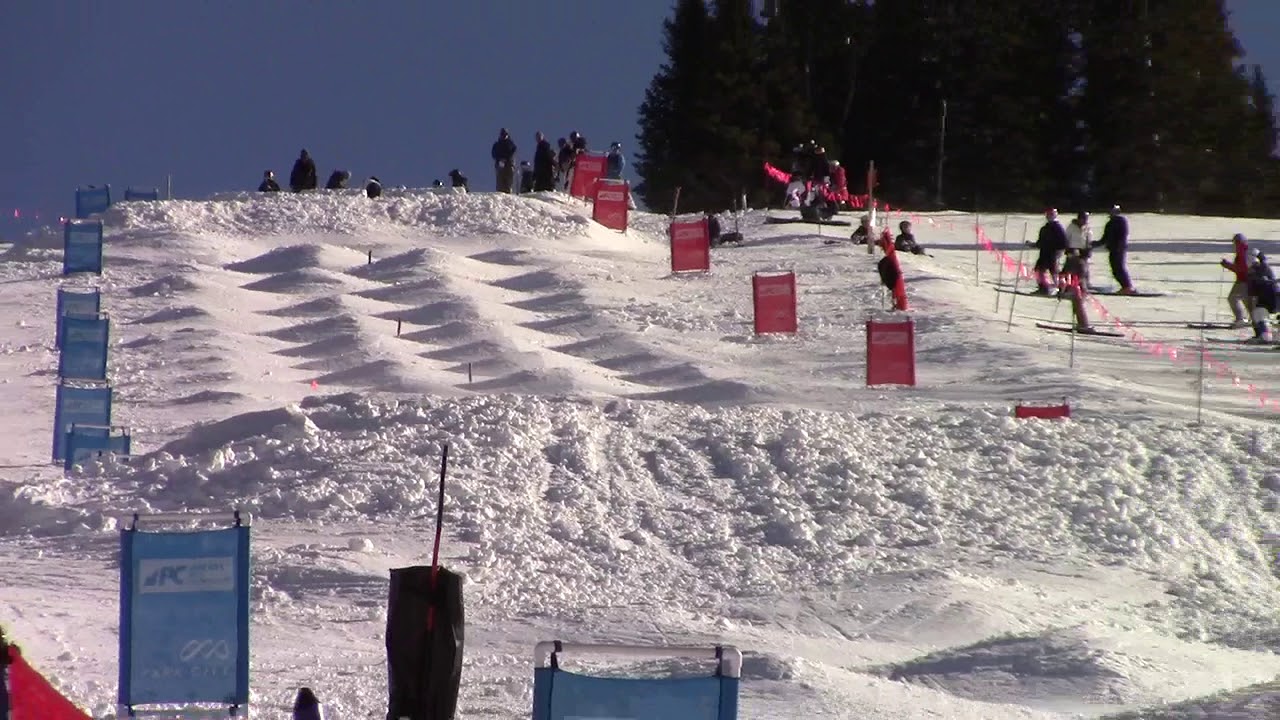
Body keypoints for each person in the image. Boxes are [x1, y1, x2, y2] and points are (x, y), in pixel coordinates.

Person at [1093, 204, 1135, 294]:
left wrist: (1118, 247)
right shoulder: (1110, 223)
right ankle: (1125, 287)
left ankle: (1127, 287)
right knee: (1115, 269)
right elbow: (1104, 239)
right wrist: (1092, 244)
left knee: (1119, 268)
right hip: (1113, 249)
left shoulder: (1121, 221)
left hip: (1118, 249)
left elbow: (1122, 236)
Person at [1029, 208, 1067, 294]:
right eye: (1048, 214)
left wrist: (1058, 252)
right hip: (1044, 253)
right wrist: (1033, 244)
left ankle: (1062, 289)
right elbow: (1040, 242)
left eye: (1051, 214)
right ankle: (1043, 288)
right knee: (1038, 270)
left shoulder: (1058, 228)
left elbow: (1063, 242)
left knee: (1054, 272)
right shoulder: (1044, 228)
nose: (1049, 216)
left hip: (1053, 253)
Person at [1059, 248, 1094, 331]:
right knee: (1076, 305)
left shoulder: (1079, 262)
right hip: (1073, 287)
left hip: (1079, 287)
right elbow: (1064, 274)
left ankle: (1084, 324)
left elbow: (1082, 276)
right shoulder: (1070, 262)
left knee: (1079, 306)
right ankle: (1080, 324)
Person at [1220, 233, 1251, 326]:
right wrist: (1228, 265)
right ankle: (1255, 319)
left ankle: (1240, 319)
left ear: (1238, 243)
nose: (1233, 245)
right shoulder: (1244, 252)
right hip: (1246, 280)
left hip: (1243, 281)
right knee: (1246, 300)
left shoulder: (1242, 253)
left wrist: (1227, 265)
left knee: (1233, 298)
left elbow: (1241, 268)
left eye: (1235, 243)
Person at [1246, 251, 1277, 342]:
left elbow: (1253, 293)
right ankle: (1266, 335)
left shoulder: (1253, 272)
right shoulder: (1266, 266)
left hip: (1268, 297)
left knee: (1258, 313)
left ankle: (1265, 336)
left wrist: (1252, 306)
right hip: (1274, 294)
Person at [1065, 211, 1093, 288]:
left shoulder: (1087, 227)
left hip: (1083, 251)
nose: (1085, 221)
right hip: (1072, 250)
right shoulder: (1071, 227)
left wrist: (1088, 251)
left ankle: (1084, 285)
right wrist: (1068, 250)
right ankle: (1068, 285)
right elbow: (1066, 239)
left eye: (1086, 219)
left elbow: (1088, 240)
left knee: (1083, 269)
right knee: (1070, 268)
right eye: (1083, 219)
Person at [491, 128, 517, 193]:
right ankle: (500, 194)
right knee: (500, 181)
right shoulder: (497, 144)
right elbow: (493, 154)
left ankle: (508, 193)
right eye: (503, 134)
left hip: (508, 164)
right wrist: (499, 159)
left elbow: (513, 152)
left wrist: (507, 159)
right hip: (500, 164)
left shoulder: (511, 144)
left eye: (505, 134)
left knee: (508, 181)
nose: (504, 136)